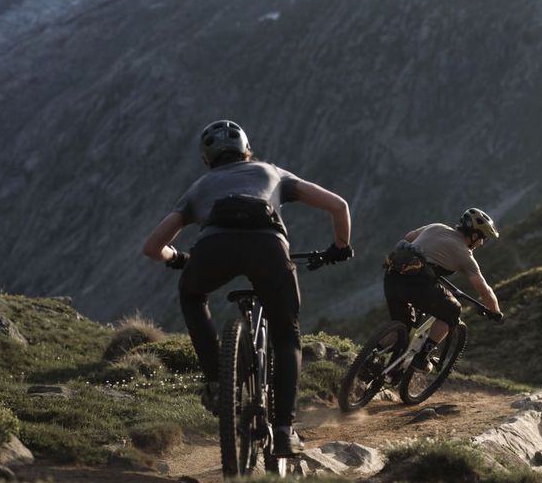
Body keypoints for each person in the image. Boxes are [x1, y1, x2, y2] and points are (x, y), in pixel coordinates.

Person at [140, 119, 352, 457]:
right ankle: (284, 430)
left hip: (213, 249)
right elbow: (338, 205)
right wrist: (340, 247)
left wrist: (179, 257)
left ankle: (217, 381)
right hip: (268, 249)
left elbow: (152, 247)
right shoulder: (272, 172)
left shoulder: (198, 187)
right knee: (286, 335)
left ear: (208, 159)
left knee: (192, 295)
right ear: (246, 150)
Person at [382, 207, 503, 368]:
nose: (481, 243)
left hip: (393, 276)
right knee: (452, 311)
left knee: (402, 326)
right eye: (482, 238)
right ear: (474, 235)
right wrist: (495, 312)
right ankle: (422, 357)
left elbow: (409, 237)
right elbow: (484, 290)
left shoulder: (436, 226)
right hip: (418, 283)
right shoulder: (465, 255)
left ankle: (370, 357)